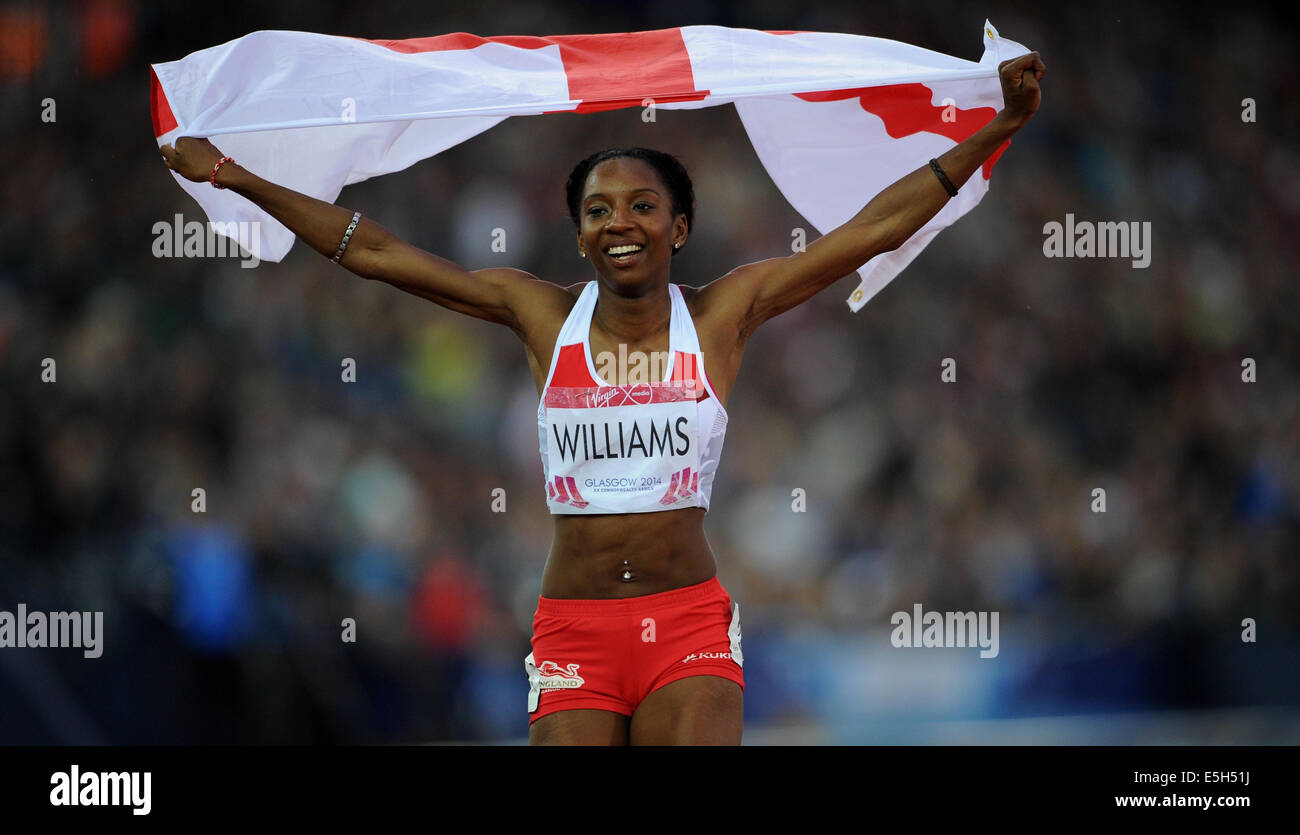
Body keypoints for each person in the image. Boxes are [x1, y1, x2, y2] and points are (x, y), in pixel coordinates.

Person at [160, 51, 1045, 745]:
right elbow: (377, 252)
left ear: (680, 226)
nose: (618, 220)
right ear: (579, 235)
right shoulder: (540, 313)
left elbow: (869, 230)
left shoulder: (726, 313)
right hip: (574, 630)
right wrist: (236, 175)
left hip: (689, 623)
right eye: (597, 209)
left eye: (641, 204)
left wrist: (997, 126)